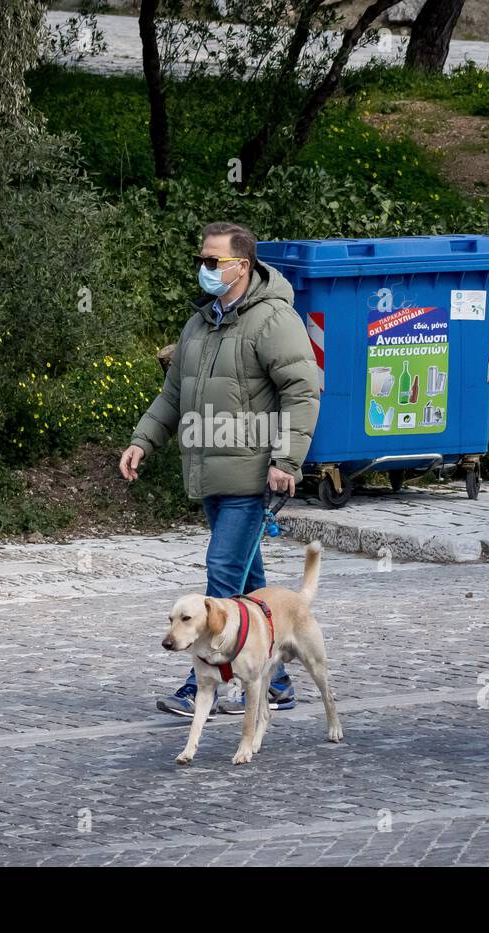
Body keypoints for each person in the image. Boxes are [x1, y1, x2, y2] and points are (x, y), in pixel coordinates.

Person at [120, 221, 320, 718]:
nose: (204, 270)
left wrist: (286, 461)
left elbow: (302, 390)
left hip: (253, 475)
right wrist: (143, 441)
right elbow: (174, 395)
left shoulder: (274, 320)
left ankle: (205, 679)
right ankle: (275, 681)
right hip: (211, 471)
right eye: (202, 261)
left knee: (223, 574)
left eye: (213, 262)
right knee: (249, 583)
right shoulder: (200, 323)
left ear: (241, 266)